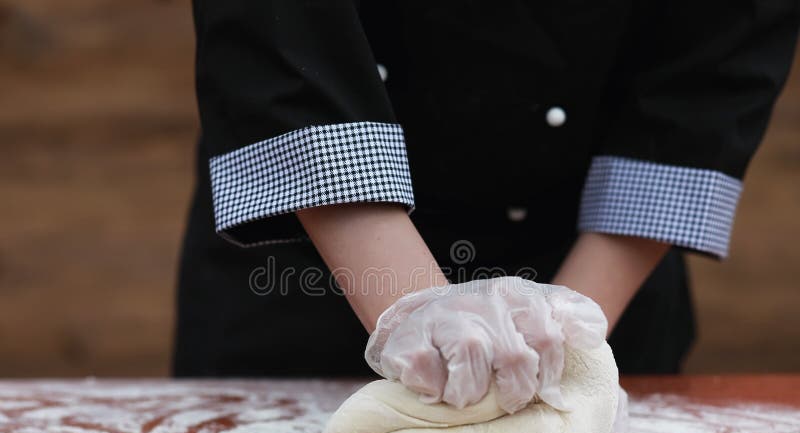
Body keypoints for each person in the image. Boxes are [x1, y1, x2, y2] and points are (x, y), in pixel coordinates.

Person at [174, 1, 799, 403]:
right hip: (310, 263)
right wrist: (412, 307)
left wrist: (572, 342)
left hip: (594, 262)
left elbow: (721, 48)